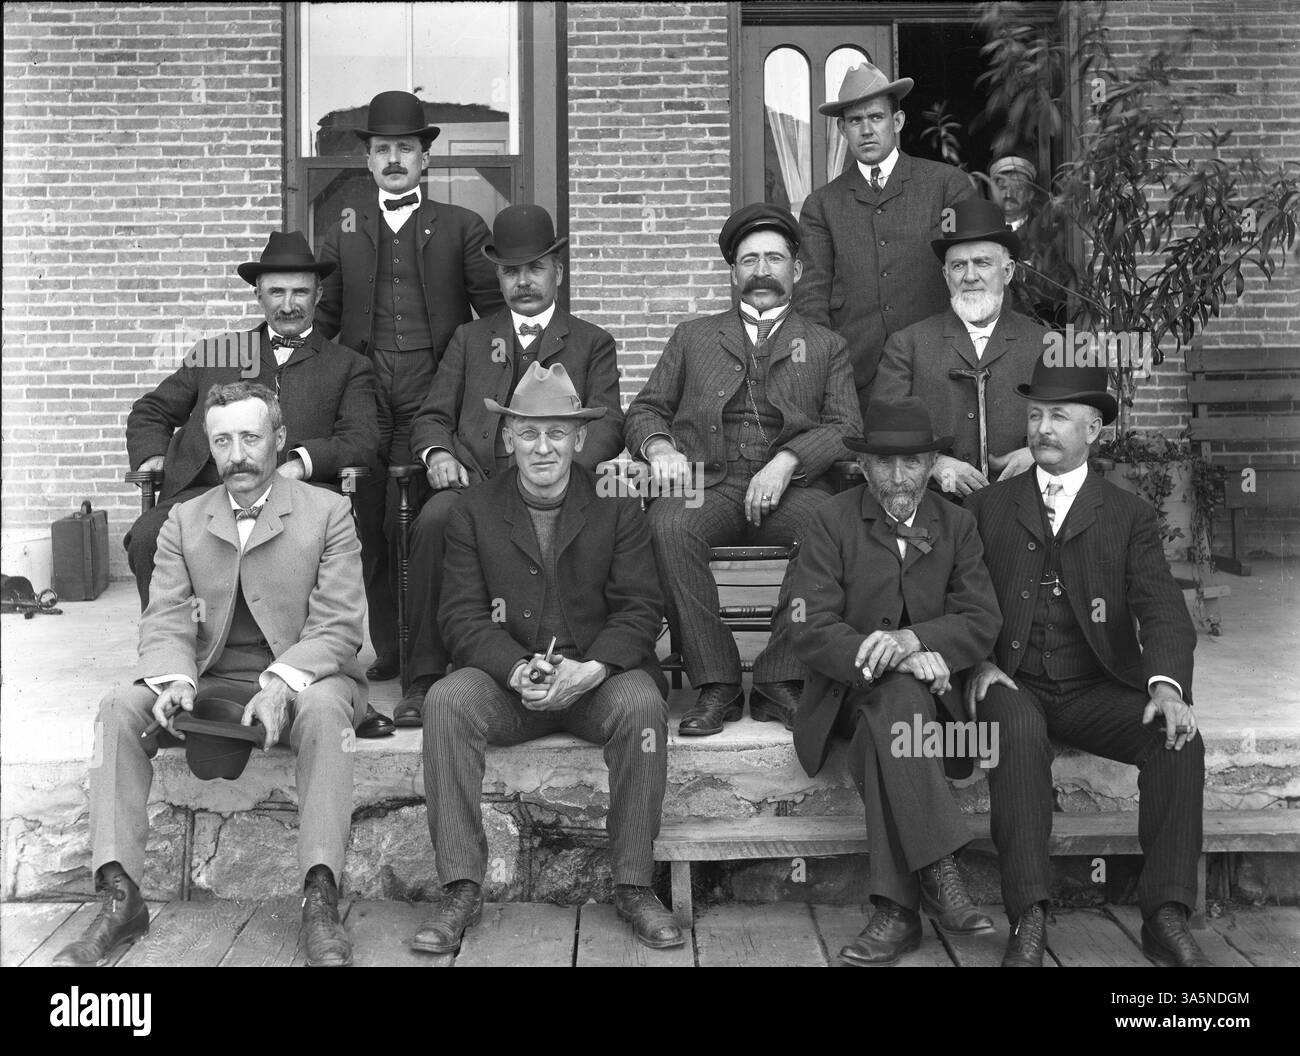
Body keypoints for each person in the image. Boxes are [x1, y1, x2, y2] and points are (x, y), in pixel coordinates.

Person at [57, 382, 368, 968]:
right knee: (118, 707)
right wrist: (175, 677)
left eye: (251, 437)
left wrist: (281, 682)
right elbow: (167, 616)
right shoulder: (183, 519)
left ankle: (321, 894)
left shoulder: (328, 512)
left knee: (326, 712)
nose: (237, 455)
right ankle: (120, 896)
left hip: (309, 675)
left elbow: (339, 624)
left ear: (278, 440)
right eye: (222, 441)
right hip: (211, 678)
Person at [415, 363, 681, 954]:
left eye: (557, 433)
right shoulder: (471, 510)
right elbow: (461, 618)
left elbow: (641, 608)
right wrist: (513, 667)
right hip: (510, 687)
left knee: (642, 704)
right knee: (446, 701)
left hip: (595, 683)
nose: (542, 447)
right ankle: (460, 887)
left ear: (579, 440)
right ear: (507, 438)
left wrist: (593, 670)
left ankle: (634, 883)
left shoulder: (616, 506)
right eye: (529, 433)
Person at [965, 361, 1210, 968]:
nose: (1043, 429)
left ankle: (1167, 914)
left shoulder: (1126, 515)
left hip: (1091, 686)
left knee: (1178, 738)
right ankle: (1029, 914)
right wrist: (974, 664)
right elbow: (954, 598)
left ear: (1094, 430)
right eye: (1035, 415)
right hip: (1011, 680)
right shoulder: (986, 508)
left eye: (1059, 417)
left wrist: (1168, 687)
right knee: (1017, 731)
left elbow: (1161, 611)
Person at [624, 203, 860, 737]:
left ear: (796, 271)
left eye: (774, 258)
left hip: (792, 488)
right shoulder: (693, 336)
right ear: (733, 272)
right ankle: (718, 683)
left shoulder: (826, 345)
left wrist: (789, 459)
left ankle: (781, 678)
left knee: (829, 526)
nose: (762, 270)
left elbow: (846, 425)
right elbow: (644, 409)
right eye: (749, 259)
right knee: (668, 525)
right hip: (709, 483)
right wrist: (660, 448)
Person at [786, 396, 1001, 966]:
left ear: (932, 464)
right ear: (862, 467)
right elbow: (804, 621)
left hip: (927, 706)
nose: (898, 477)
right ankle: (940, 868)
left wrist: (916, 640)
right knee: (896, 698)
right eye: (883, 463)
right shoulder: (831, 520)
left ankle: (897, 914)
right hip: (845, 693)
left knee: (891, 725)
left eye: (911, 463)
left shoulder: (957, 524)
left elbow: (981, 618)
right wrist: (886, 653)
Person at [398, 204, 624, 724]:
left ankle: (577, 655)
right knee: (433, 519)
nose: (523, 281)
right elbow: (432, 416)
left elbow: (609, 423)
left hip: (559, 483)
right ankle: (426, 676)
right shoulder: (469, 339)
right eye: (510, 271)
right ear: (497, 277)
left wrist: (561, 470)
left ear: (557, 273)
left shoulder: (592, 341)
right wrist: (437, 454)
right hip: (476, 485)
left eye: (535, 268)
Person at [315, 89, 505, 689]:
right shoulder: (343, 229)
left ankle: (442, 641)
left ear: (425, 158)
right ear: (368, 161)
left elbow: (495, 316)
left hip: (436, 394)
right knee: (369, 521)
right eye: (382, 149)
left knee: (428, 525)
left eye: (405, 148)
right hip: (367, 399)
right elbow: (325, 320)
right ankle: (390, 646)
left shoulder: (461, 226)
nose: (394, 158)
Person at [124, 231, 379, 608]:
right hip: (207, 492)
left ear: (319, 295)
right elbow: (151, 410)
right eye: (276, 292)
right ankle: (173, 651)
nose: (288, 305)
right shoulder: (216, 353)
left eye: (300, 293)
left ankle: (299, 655)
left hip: (300, 497)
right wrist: (153, 456)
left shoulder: (347, 366)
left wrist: (300, 464)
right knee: (148, 535)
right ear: (258, 295)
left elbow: (361, 439)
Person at [795, 61, 975, 412]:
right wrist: (828, 372)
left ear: (897, 122)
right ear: (842, 129)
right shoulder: (822, 204)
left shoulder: (944, 185)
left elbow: (973, 276)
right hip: (858, 376)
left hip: (938, 367)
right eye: (855, 120)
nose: (866, 130)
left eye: (876, 118)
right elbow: (812, 297)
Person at [875, 198, 1046, 498]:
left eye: (982, 263)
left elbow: (1084, 429)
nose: (969, 276)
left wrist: (1037, 456)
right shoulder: (907, 345)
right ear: (945, 276)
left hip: (1026, 508)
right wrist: (934, 464)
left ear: (1007, 272)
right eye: (958, 266)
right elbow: (880, 433)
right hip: (934, 512)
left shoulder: (1046, 344)